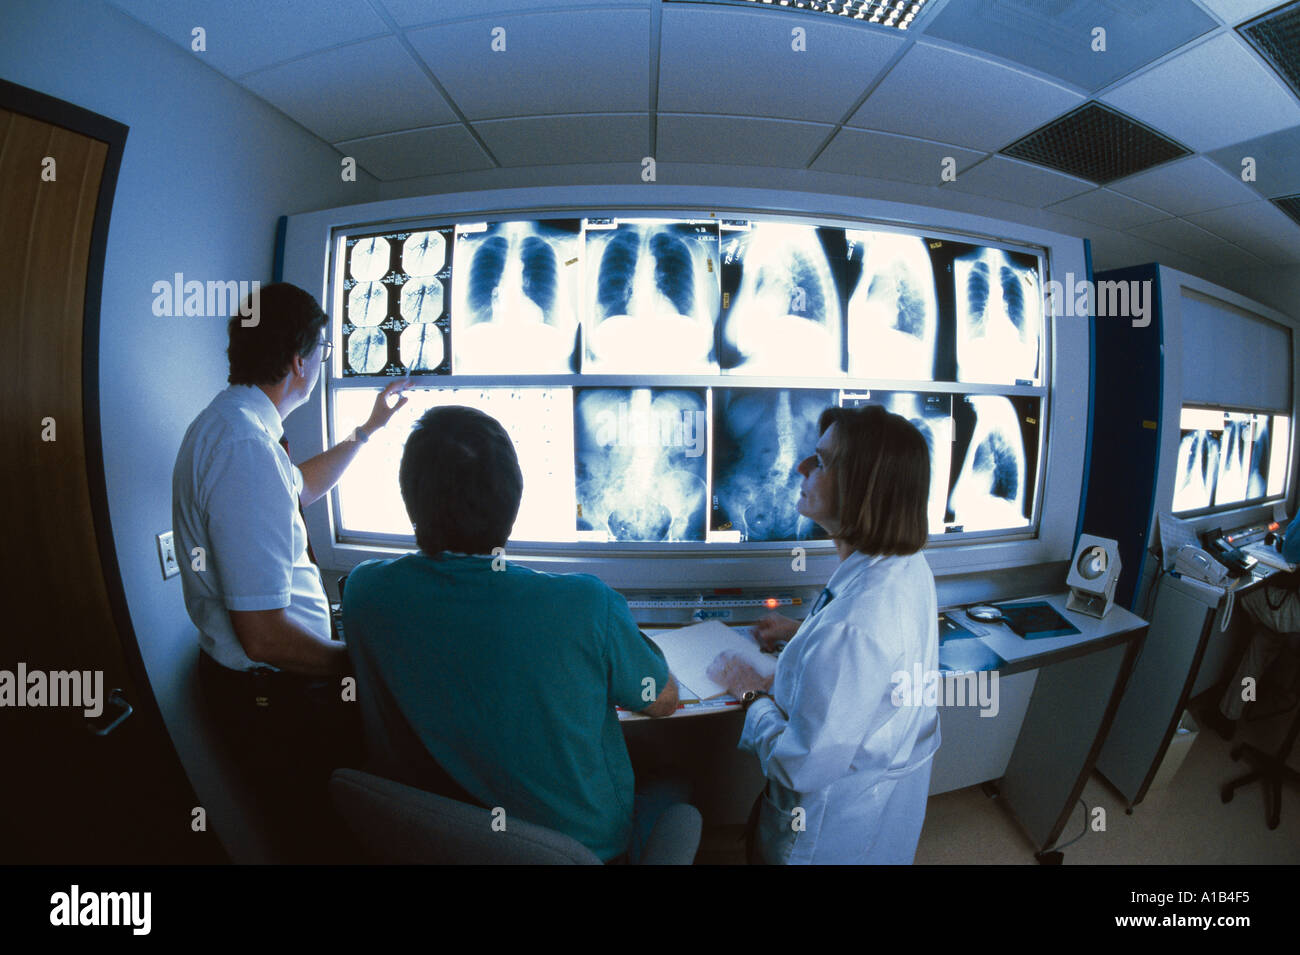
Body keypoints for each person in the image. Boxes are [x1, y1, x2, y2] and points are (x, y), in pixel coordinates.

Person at [341, 405, 681, 863]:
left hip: (439, 843)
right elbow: (662, 700)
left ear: (409, 499)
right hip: (582, 852)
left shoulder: (365, 591)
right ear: (514, 501)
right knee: (676, 783)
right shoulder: (585, 604)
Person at [172, 282, 409, 860]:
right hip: (275, 696)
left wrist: (367, 431)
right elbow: (263, 635)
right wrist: (356, 663)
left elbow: (297, 488)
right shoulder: (244, 449)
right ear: (300, 362)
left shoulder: (235, 428)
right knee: (325, 840)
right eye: (324, 353)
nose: (324, 364)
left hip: (267, 688)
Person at [708, 403, 940, 864]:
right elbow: (870, 659)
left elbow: (801, 764)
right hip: (879, 792)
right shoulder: (906, 565)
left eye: (822, 461)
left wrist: (751, 694)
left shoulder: (857, 624)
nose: (800, 467)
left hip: (828, 827)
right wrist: (805, 633)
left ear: (863, 488)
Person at [1213, 517, 1300, 735]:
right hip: (1293, 618)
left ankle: (1231, 713)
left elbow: (1292, 551)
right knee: (1263, 644)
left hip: (1290, 615)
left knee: (1238, 587)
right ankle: (1233, 711)